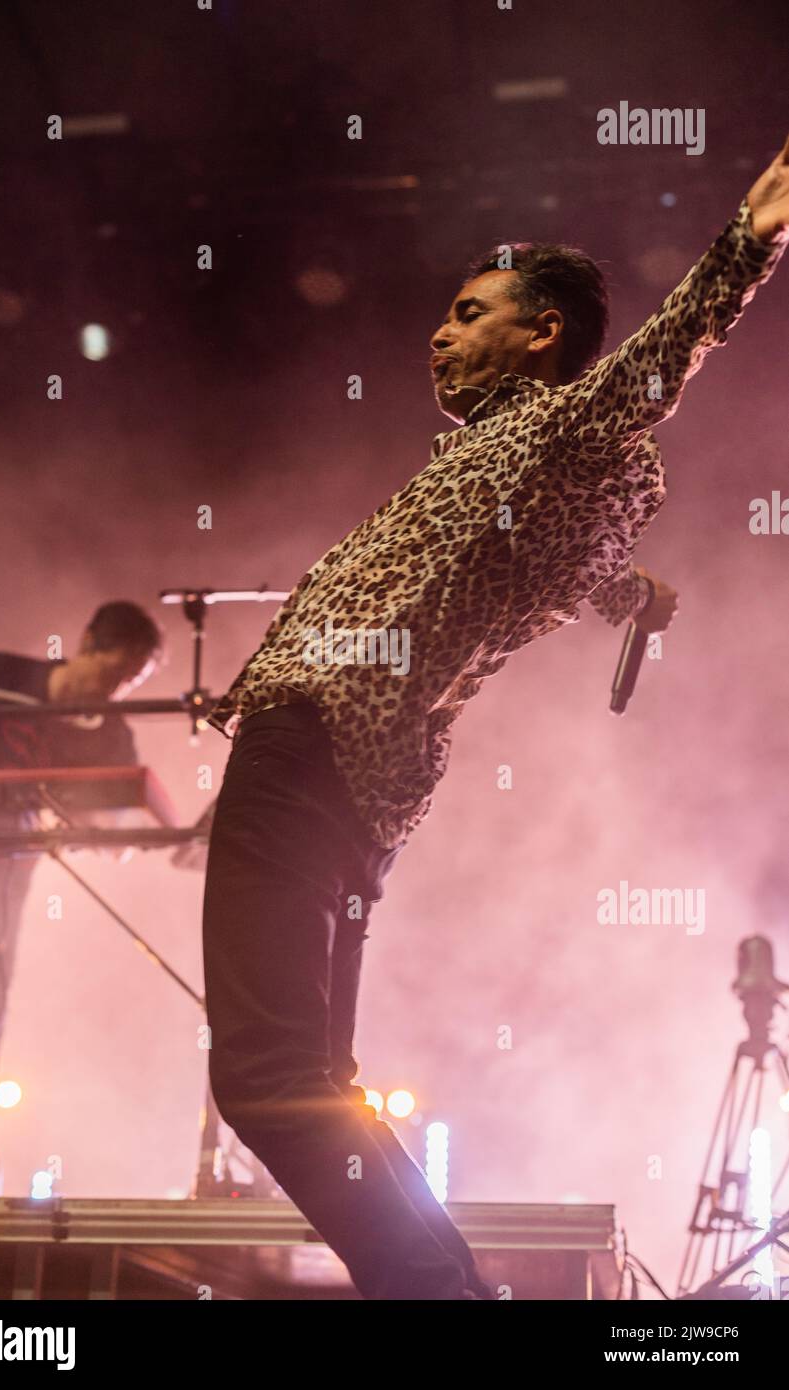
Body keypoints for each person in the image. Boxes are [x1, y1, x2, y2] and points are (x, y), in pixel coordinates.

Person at [201, 140, 789, 1299]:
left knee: (267, 1074)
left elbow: (657, 363)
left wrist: (749, 235)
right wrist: (629, 591)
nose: (437, 331)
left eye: (470, 312)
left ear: (541, 335)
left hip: (312, 742)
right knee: (315, 1074)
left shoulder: (552, 429)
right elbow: (558, 569)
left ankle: (435, 1294)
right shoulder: (521, 469)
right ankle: (440, 1289)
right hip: (355, 788)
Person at [0, 601, 162, 1195]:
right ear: (86, 643)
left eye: (131, 682)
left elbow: (121, 831)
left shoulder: (111, 733)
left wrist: (108, 834)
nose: (115, 689)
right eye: (113, 672)